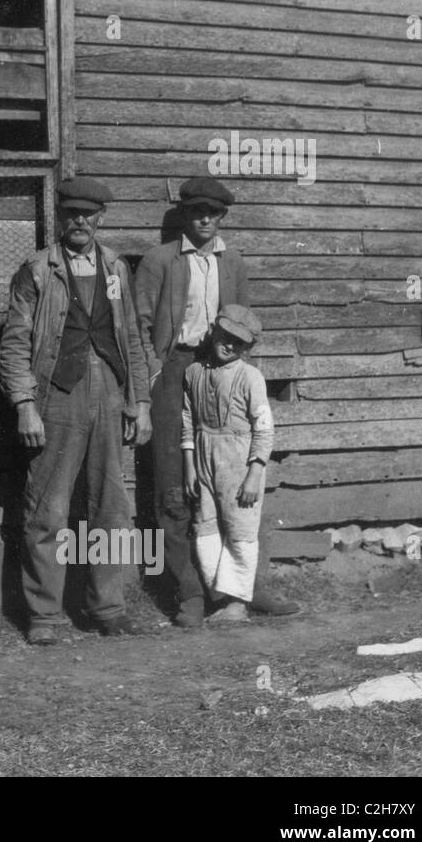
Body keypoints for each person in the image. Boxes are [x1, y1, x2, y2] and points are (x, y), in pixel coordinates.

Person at [0, 176, 153, 644]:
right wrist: (24, 405)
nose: (79, 221)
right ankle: (45, 615)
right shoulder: (37, 271)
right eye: (71, 214)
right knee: (48, 507)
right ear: (59, 216)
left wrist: (139, 403)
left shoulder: (117, 269)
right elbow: (14, 344)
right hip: (57, 396)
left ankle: (108, 607)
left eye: (88, 214)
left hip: (109, 393)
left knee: (111, 507)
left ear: (101, 218)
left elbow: (135, 342)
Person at [135, 176, 298, 627]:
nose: (205, 219)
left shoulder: (233, 262)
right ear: (185, 215)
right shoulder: (159, 260)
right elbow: (139, 325)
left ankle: (244, 586)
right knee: (176, 482)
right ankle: (189, 591)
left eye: (214, 212)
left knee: (236, 475)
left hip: (221, 369)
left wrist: (236, 373)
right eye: (197, 211)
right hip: (173, 372)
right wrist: (154, 374)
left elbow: (243, 321)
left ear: (222, 216)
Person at [182, 305, 274, 624]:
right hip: (204, 456)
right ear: (214, 332)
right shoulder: (194, 373)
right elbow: (187, 421)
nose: (230, 345)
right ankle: (219, 598)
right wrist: (191, 466)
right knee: (205, 527)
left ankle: (237, 604)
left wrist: (255, 472)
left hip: (239, 460)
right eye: (226, 336)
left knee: (240, 529)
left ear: (247, 347)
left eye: (239, 342)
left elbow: (263, 428)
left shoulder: (250, 377)